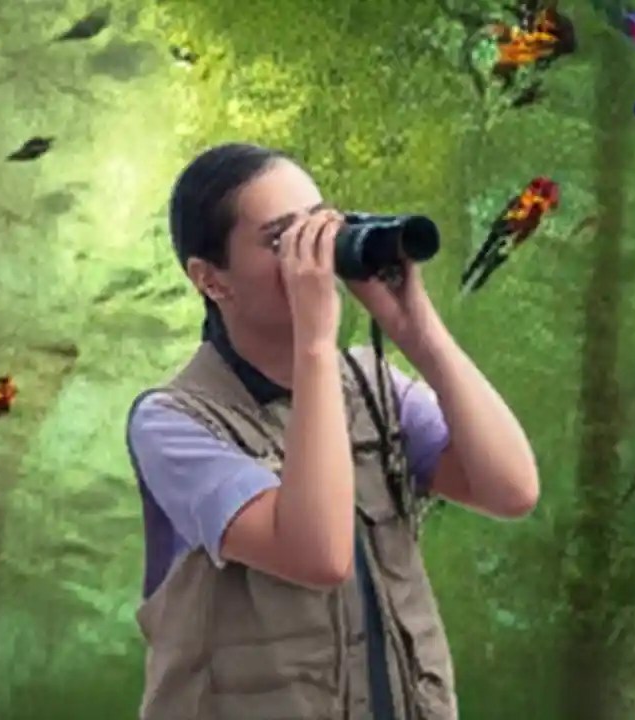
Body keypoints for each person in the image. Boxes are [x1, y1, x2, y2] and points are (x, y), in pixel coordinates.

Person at [125, 143, 540, 719]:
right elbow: (319, 555)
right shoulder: (174, 422)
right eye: (282, 240)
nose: (314, 257)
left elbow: (511, 490)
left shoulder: (371, 385)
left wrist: (420, 334)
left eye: (321, 225)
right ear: (210, 279)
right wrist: (316, 343)